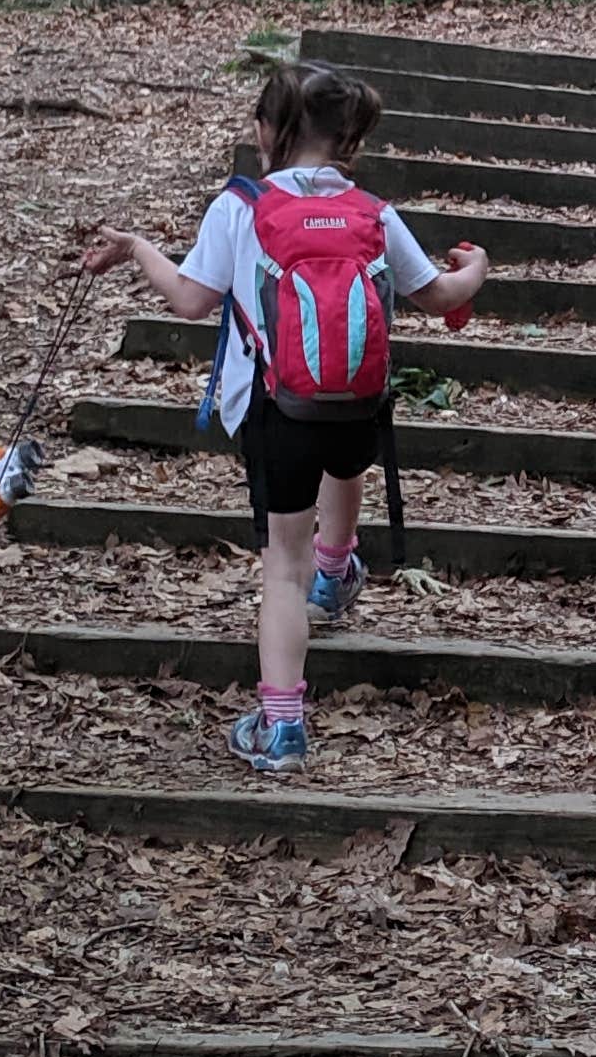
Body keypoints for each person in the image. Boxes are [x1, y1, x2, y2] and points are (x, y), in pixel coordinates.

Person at [80, 63, 488, 772]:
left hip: (276, 411)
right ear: (347, 137)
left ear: (269, 131)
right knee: (345, 465)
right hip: (357, 408)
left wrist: (139, 247)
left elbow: (190, 301)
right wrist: (477, 268)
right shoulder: (372, 212)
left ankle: (282, 726)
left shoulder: (241, 206)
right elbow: (439, 293)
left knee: (282, 570)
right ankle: (338, 563)